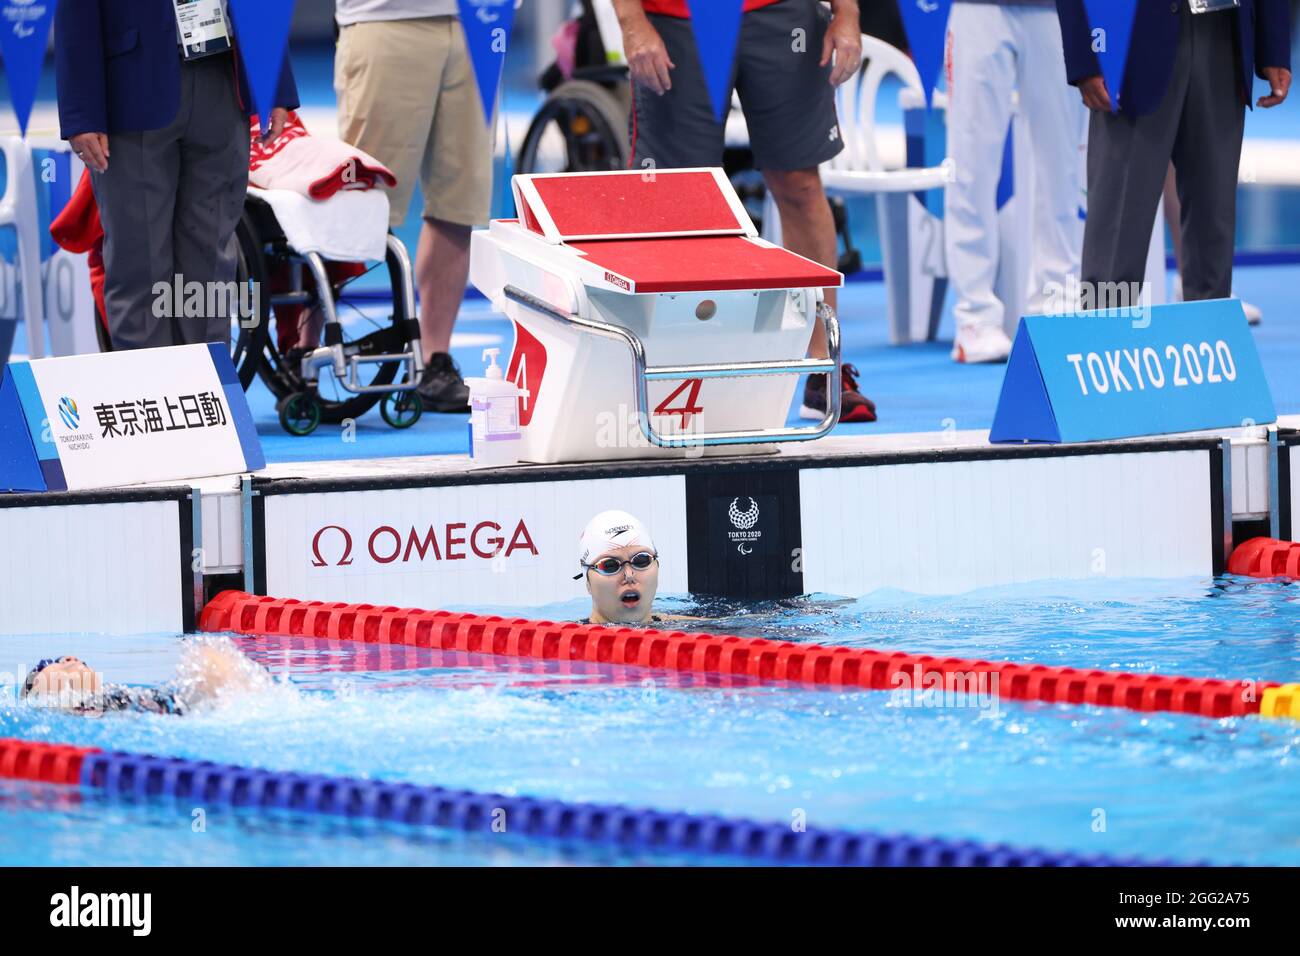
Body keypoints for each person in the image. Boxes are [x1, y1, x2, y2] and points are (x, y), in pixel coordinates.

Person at [612, 0, 877, 423]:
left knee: (801, 185)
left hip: (782, 15)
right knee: (678, 199)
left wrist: (847, 12)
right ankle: (674, 371)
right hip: (678, 19)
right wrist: (632, 22)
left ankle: (821, 366)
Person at [55, 0, 299, 351]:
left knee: (211, 260)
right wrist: (81, 112)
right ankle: (146, 392)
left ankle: (205, 386)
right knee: (139, 260)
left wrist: (274, 79)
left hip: (223, 76)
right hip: (131, 88)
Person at [1057, 0, 1291, 309]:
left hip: (1224, 30)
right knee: (1117, 224)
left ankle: (1207, 332)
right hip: (1131, 38)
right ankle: (1102, 335)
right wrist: (1084, 53)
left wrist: (1273, 42)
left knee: (1213, 223)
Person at [334, 0, 493, 413]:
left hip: (479, 23)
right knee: (359, 205)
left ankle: (432, 363)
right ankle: (308, 351)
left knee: (461, 203)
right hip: (385, 19)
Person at [943, 0, 1085, 364]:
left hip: (1055, 11)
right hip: (978, 9)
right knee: (970, 165)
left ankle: (1057, 303)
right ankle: (975, 317)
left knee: (1062, 164)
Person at [20, 637, 273, 717]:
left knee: (209, 659)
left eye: (79, 661)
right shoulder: (43, 706)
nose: (69, 659)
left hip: (160, 708)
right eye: (49, 664)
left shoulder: (115, 696)